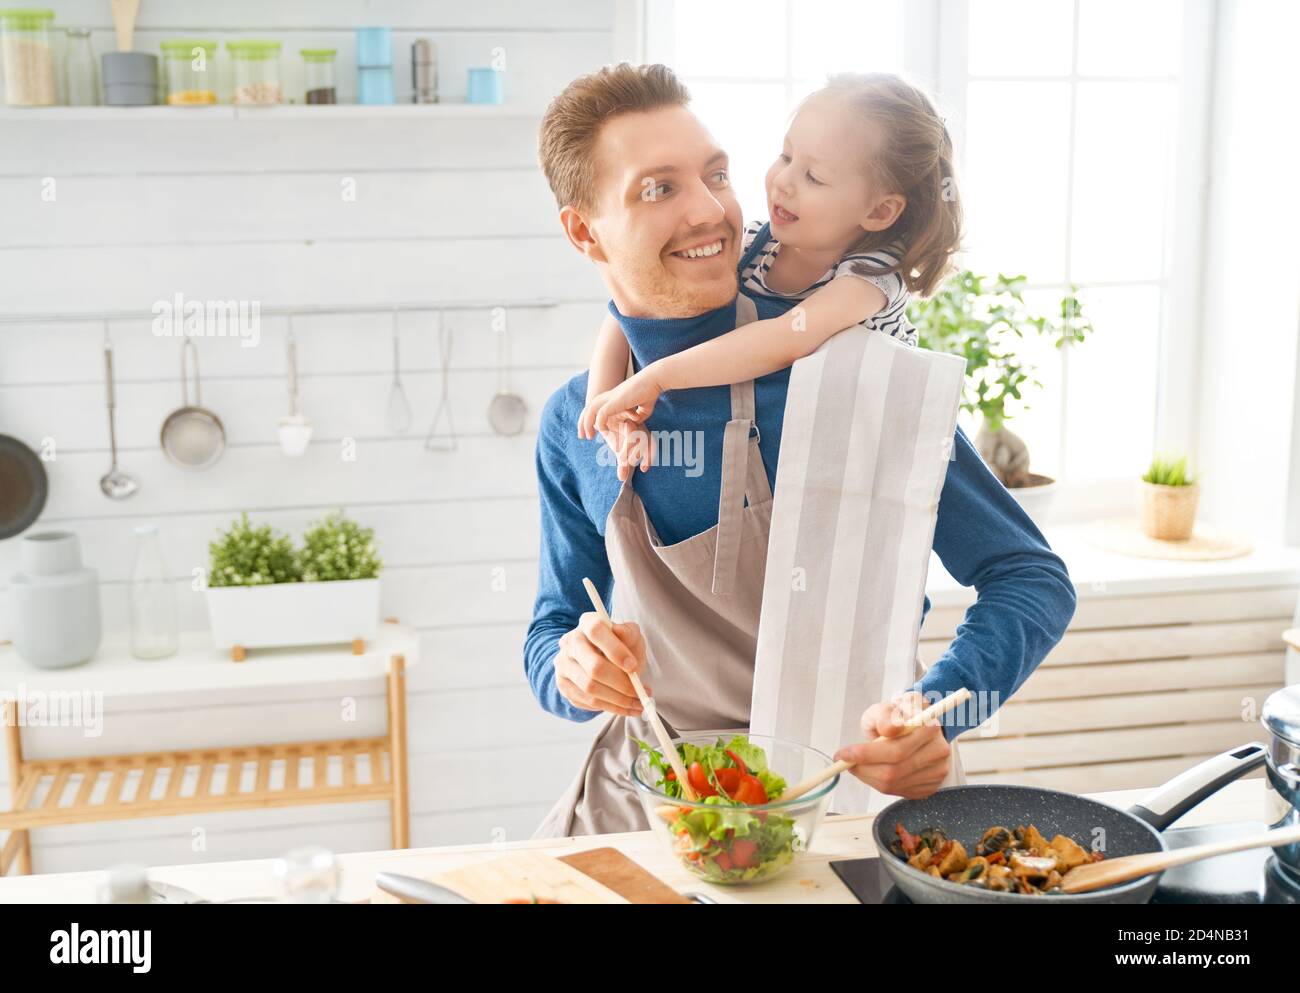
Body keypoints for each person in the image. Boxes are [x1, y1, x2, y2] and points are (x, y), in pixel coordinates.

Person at [524, 63, 1076, 837]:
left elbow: (1032, 580)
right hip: (647, 811)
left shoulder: (860, 378)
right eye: (659, 189)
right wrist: (571, 669)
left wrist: (938, 712)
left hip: (847, 802)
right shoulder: (575, 421)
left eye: (716, 173)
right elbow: (549, 634)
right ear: (584, 232)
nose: (712, 209)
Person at [577, 73, 949, 479]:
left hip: (863, 457)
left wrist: (659, 377)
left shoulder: (871, 276)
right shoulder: (757, 242)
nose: (783, 182)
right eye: (787, 156)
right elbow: (626, 311)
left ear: (878, 211)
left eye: (815, 178)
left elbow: (786, 338)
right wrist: (606, 402)